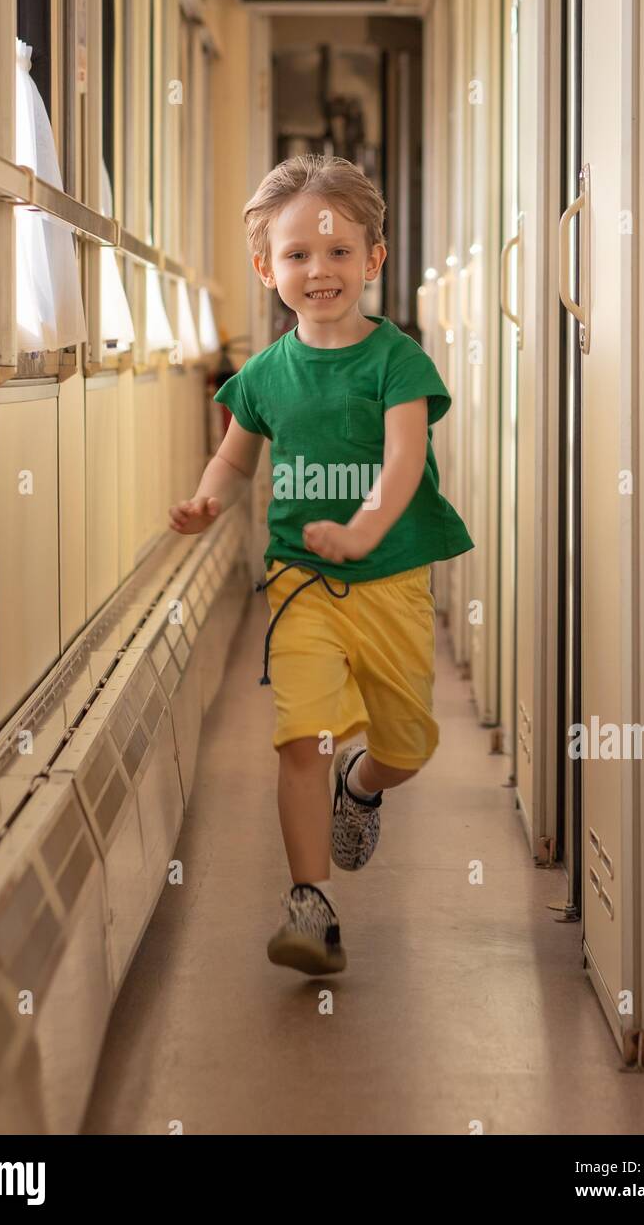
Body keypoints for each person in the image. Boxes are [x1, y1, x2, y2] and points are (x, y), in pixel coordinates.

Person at [168, 155, 473, 976]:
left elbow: (405, 461)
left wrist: (369, 528)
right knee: (299, 736)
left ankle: (364, 785)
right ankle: (310, 901)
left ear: (374, 258)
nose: (320, 269)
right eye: (298, 254)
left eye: (339, 251)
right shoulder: (265, 374)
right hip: (300, 582)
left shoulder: (396, 362)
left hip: (392, 579)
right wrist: (206, 502)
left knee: (407, 746)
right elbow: (234, 463)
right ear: (267, 268)